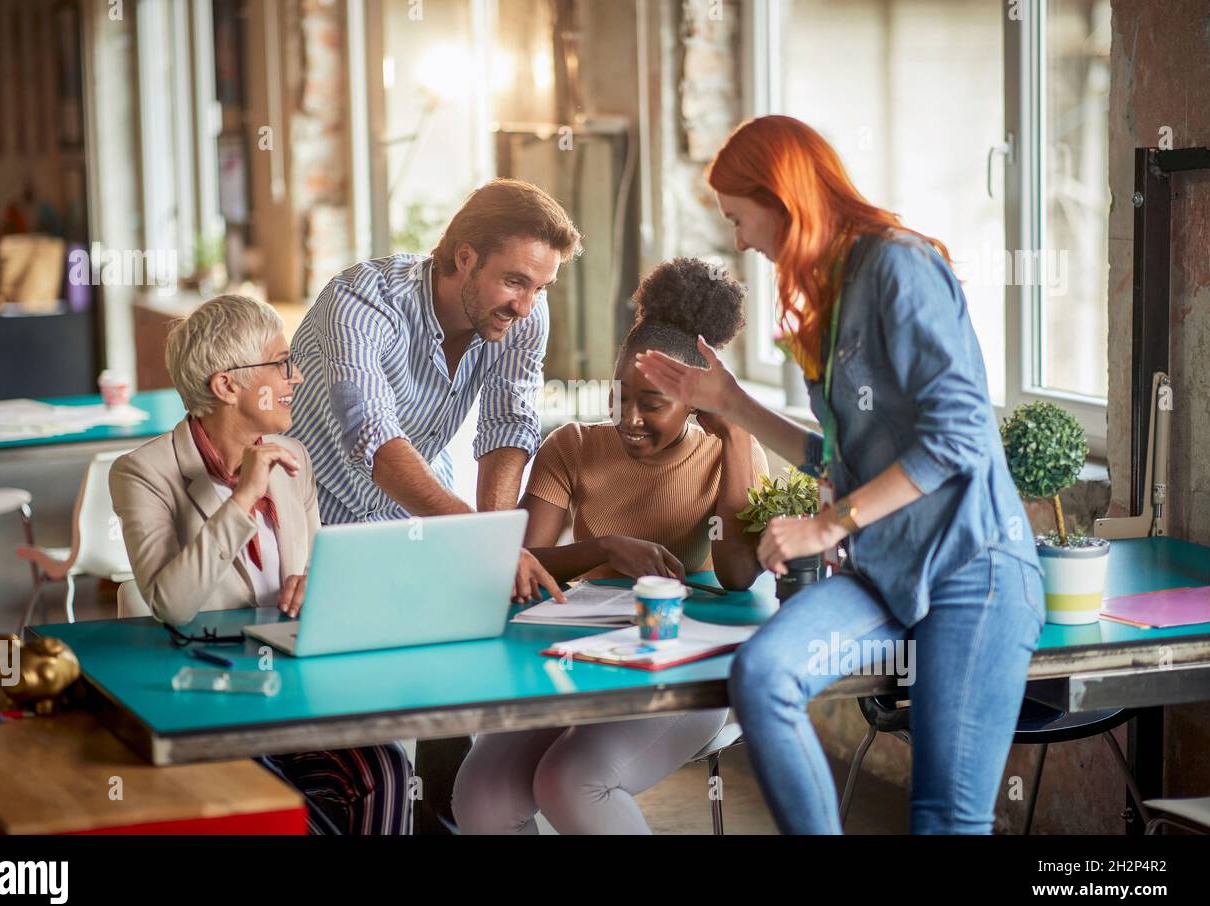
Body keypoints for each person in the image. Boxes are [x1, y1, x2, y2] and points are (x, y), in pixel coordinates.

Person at [636, 115, 1045, 834]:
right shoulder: (831, 295)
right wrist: (730, 403)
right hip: (883, 573)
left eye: (738, 217)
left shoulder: (898, 265)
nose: (739, 240)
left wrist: (826, 523)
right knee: (762, 677)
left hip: (970, 568)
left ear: (782, 195)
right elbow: (844, 459)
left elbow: (959, 434)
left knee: (945, 817)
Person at [286, 178, 581, 831]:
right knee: (341, 710)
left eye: (542, 287)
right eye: (515, 281)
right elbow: (375, 441)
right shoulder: (360, 301)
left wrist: (495, 539)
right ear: (465, 255)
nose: (528, 304)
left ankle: (439, 821)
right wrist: (476, 540)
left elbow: (508, 426)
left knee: (452, 680)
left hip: (423, 514)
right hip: (314, 522)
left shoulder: (524, 313)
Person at [451, 258, 769, 834]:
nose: (629, 419)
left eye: (651, 403)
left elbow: (739, 573)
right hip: (583, 656)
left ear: (695, 399)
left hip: (683, 672)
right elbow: (514, 566)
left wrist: (739, 434)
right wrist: (606, 549)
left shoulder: (726, 457)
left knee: (572, 781)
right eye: (618, 396)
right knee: (480, 797)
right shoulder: (572, 446)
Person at [110, 295, 412, 835]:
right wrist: (243, 497)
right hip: (217, 704)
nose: (295, 378)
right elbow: (171, 605)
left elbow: (316, 571)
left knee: (386, 769)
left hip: (297, 693)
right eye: (281, 363)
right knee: (274, 802)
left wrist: (318, 585)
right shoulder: (142, 473)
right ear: (227, 385)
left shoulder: (294, 456)